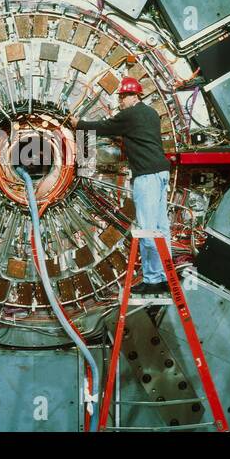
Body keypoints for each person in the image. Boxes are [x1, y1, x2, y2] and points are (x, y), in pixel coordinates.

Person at [68, 76, 173, 295]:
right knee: (162, 229)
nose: (120, 102)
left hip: (146, 176)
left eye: (123, 97)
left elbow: (104, 127)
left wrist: (79, 125)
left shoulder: (130, 114)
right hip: (162, 174)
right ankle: (165, 276)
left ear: (133, 96)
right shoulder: (152, 113)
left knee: (146, 229)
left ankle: (153, 279)